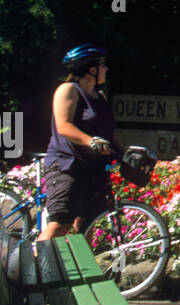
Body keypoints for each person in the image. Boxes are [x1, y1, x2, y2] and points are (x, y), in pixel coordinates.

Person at [39, 44, 125, 241]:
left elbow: (109, 133)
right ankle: (32, 268)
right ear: (91, 69)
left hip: (92, 168)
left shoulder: (99, 96)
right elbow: (64, 126)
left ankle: (77, 270)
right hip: (67, 165)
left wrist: (124, 153)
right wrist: (91, 141)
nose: (107, 69)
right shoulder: (68, 90)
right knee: (61, 223)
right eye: (103, 65)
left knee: (86, 226)